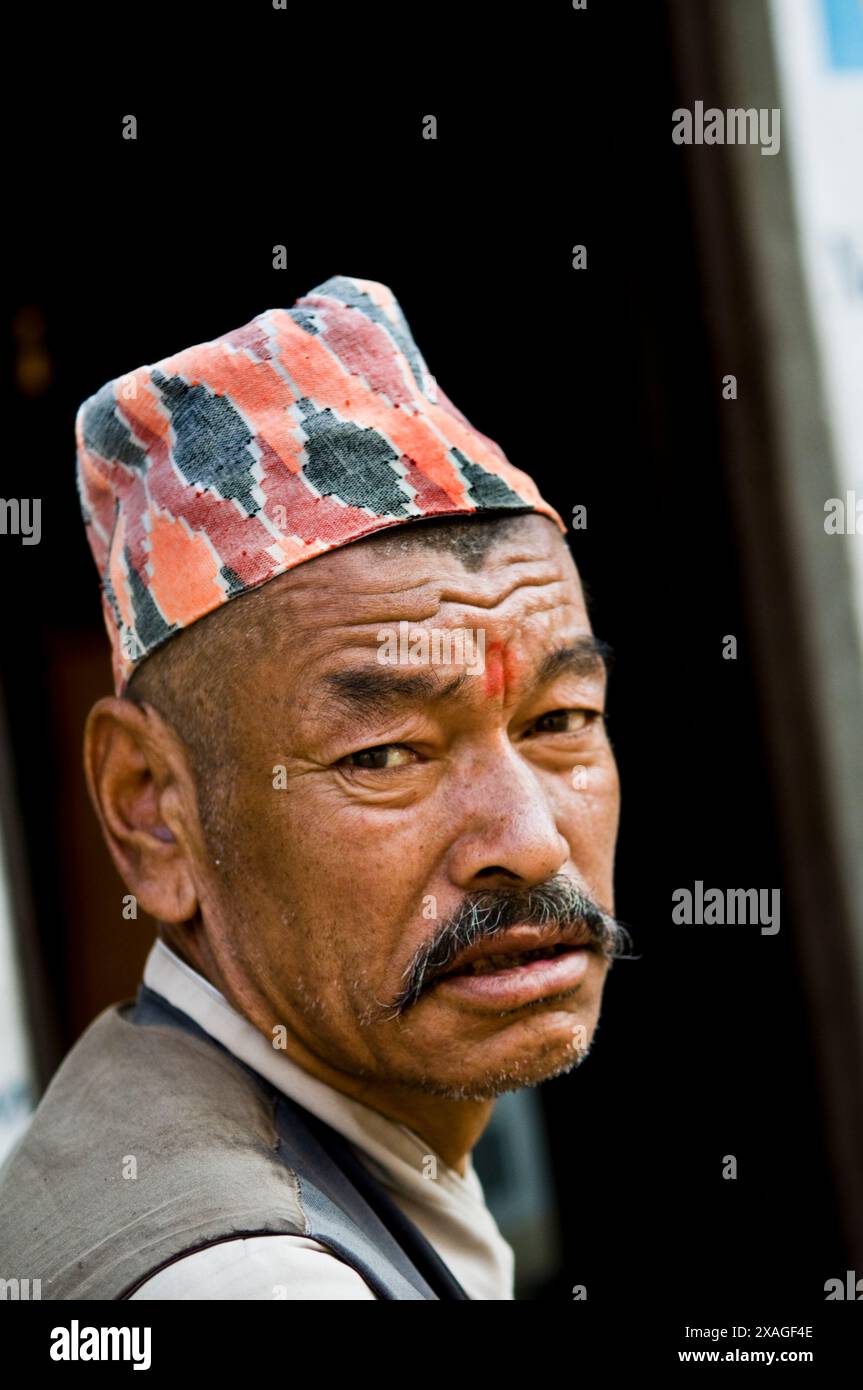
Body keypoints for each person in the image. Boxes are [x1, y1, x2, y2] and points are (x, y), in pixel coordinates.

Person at [0, 275, 629, 1299]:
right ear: (152, 809)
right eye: (383, 753)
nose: (530, 841)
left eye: (557, 722)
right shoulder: (249, 1277)